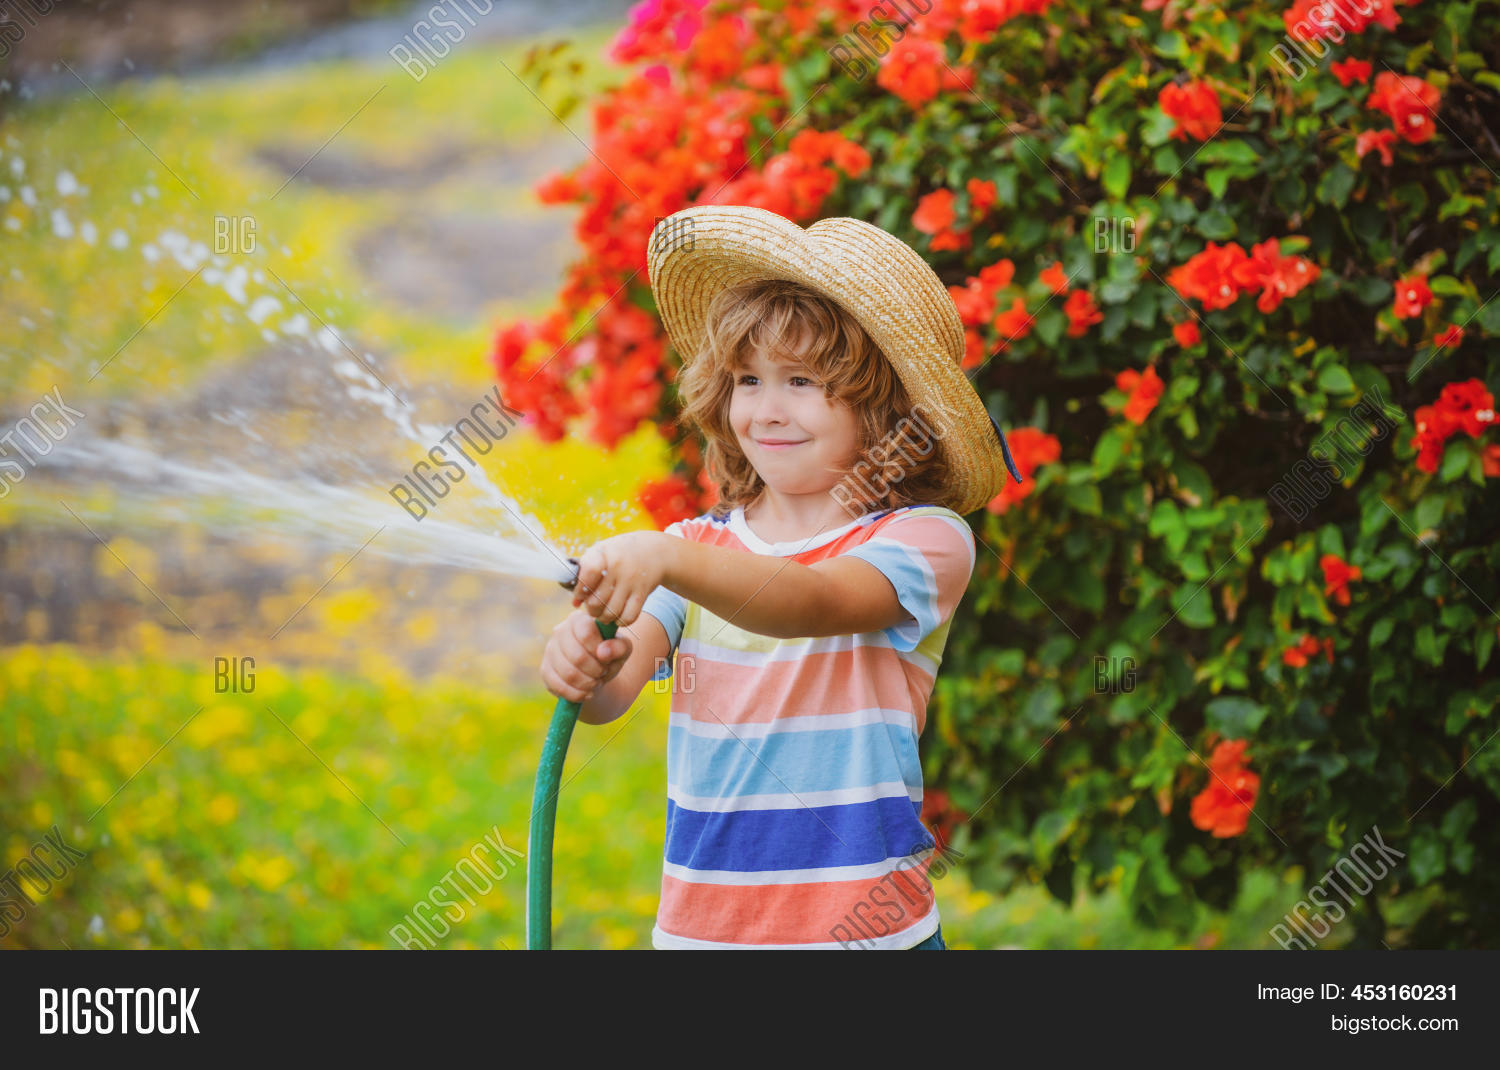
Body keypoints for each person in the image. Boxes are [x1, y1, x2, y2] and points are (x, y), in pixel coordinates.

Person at [538, 205, 1022, 949]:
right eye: (747, 380)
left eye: (801, 380)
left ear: (886, 405)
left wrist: (665, 559)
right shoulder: (695, 547)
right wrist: (583, 662)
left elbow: (809, 601)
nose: (766, 409)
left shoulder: (922, 541)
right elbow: (614, 690)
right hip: (706, 934)